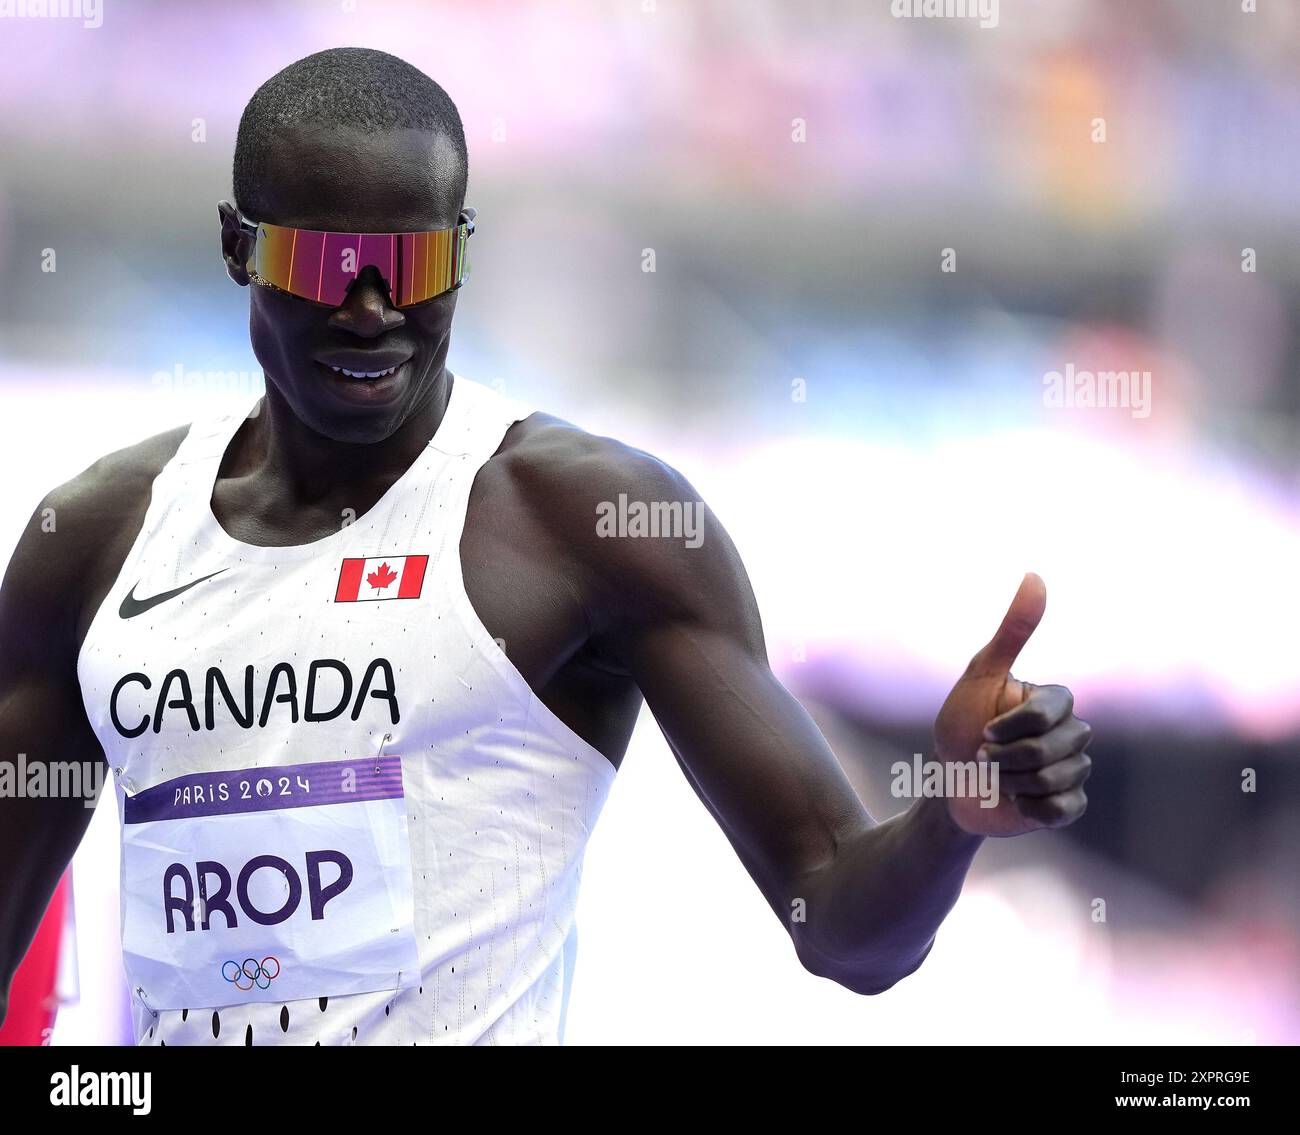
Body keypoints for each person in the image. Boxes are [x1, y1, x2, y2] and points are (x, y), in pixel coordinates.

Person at [0, 47, 1092, 1046]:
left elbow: (846, 933)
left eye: (414, 264)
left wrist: (952, 814)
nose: (374, 310)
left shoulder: (583, 525)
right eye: (331, 263)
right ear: (240, 248)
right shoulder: (95, 542)